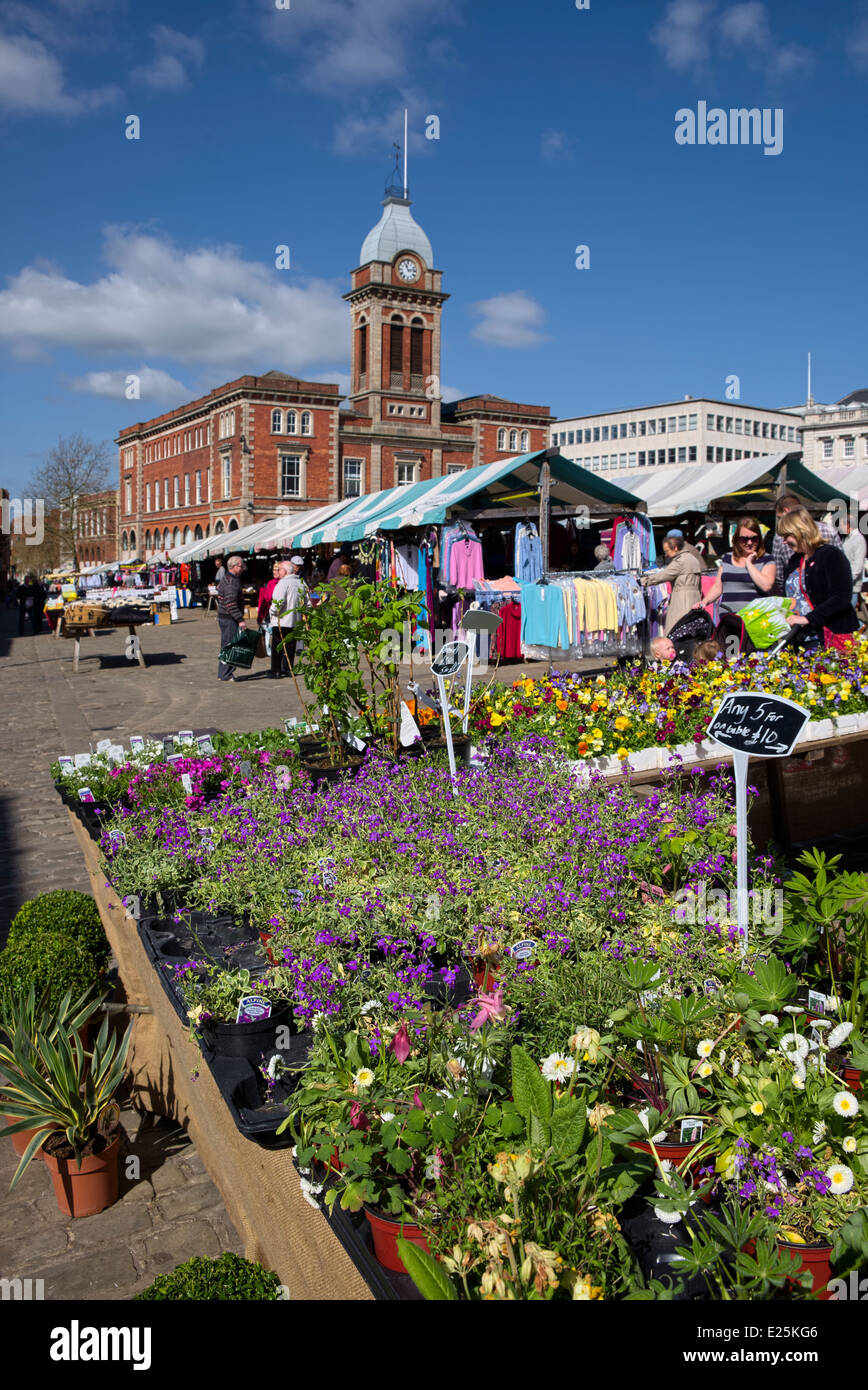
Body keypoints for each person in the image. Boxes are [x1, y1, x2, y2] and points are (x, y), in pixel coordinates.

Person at [777, 509, 859, 647]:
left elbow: (842, 597)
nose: (784, 542)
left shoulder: (830, 555)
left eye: (787, 536)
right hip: (799, 637)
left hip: (828, 635)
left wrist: (808, 619)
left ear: (801, 531)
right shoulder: (794, 560)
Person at [698, 516, 775, 614]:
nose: (749, 542)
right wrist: (704, 602)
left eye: (754, 538)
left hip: (755, 620)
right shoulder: (727, 558)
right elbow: (718, 587)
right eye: (744, 539)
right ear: (737, 539)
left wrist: (749, 564)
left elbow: (766, 586)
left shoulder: (767, 559)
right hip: (728, 619)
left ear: (759, 538)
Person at [771, 493, 841, 595]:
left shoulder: (779, 536)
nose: (784, 541)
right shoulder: (829, 529)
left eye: (779, 517)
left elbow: (779, 576)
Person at [641, 534, 702, 634]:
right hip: (695, 600)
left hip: (681, 601)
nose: (666, 555)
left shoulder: (680, 561)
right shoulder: (693, 559)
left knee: (676, 631)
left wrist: (643, 581)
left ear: (676, 548)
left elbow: (663, 575)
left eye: (667, 551)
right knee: (691, 632)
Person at [269, 555, 308, 677]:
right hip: (295, 620)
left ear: (284, 571)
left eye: (279, 569)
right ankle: (288, 668)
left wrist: (272, 612)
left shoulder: (283, 583)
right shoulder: (301, 583)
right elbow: (306, 602)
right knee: (290, 647)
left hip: (282, 620)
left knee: (278, 646)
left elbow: (278, 603)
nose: (278, 572)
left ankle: (276, 670)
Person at [217, 555, 247, 682]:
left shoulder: (229, 579)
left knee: (227, 645)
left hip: (225, 617)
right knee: (230, 645)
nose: (242, 569)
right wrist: (240, 619)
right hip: (229, 618)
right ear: (234, 566)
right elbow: (230, 603)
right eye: (241, 566)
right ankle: (226, 674)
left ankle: (223, 673)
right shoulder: (231, 581)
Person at [839, 516, 867, 608]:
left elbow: (857, 566)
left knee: (847, 616)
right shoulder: (847, 539)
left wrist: (846, 581)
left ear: (848, 525)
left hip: (851, 587)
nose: (839, 527)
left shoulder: (858, 539)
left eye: (841, 525)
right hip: (845, 586)